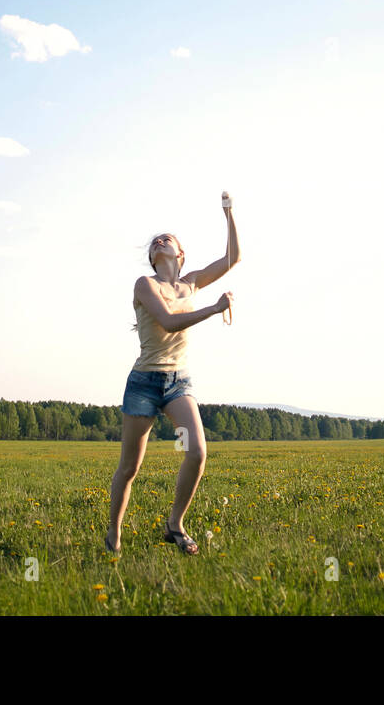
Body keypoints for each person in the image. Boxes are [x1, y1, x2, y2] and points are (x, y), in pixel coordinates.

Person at [105, 193, 239, 555]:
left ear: (180, 254)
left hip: (178, 383)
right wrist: (213, 309)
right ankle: (113, 535)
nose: (160, 240)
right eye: (156, 242)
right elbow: (167, 322)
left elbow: (232, 258)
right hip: (144, 384)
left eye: (168, 238)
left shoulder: (191, 282)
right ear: (153, 258)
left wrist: (229, 215)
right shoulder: (145, 285)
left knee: (196, 451)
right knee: (130, 467)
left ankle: (174, 523)